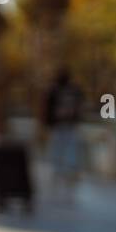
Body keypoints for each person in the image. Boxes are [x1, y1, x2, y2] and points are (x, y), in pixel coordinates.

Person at [43, 67, 85, 201]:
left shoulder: (56, 90)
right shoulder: (72, 90)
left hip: (62, 125)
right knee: (66, 150)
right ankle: (65, 173)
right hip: (66, 125)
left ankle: (63, 173)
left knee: (61, 150)